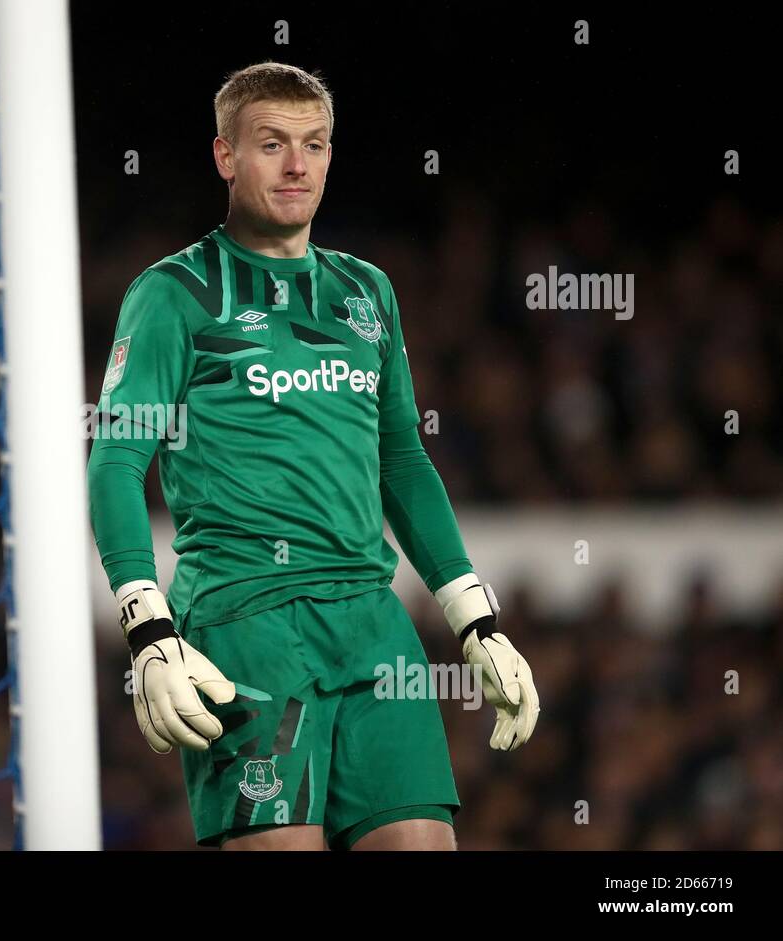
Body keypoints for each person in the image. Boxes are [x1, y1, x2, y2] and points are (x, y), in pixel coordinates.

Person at [87, 62, 539, 851]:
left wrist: (475, 617)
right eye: (272, 144)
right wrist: (148, 626)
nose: (298, 165)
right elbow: (117, 459)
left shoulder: (365, 291)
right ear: (226, 156)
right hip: (243, 621)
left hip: (371, 618)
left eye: (315, 144)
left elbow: (402, 460)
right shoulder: (175, 293)